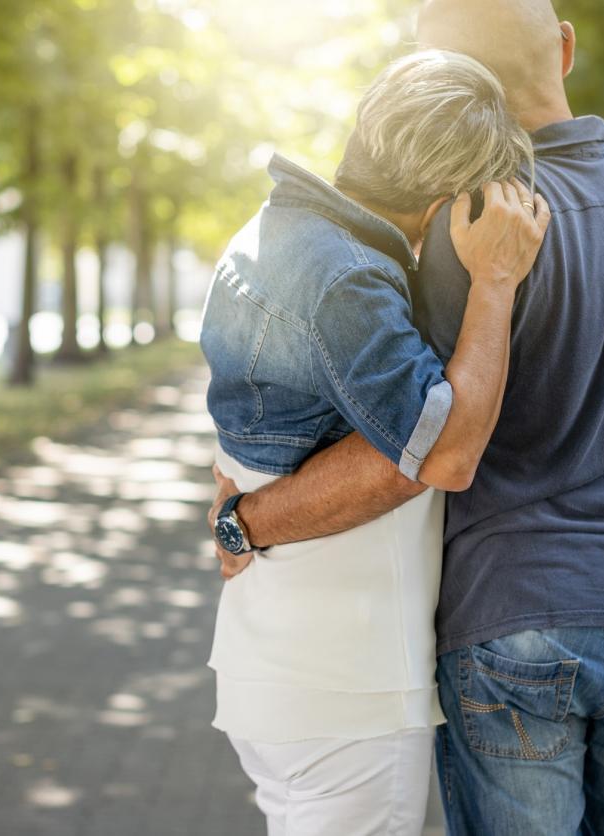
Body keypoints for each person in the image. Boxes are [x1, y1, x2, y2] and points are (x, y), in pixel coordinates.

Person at [208, 1, 604, 833]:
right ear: (564, 48)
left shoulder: (460, 224)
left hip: (504, 620)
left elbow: (410, 442)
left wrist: (247, 514)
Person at [199, 49, 549, 836]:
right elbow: (446, 454)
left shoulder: (271, 232)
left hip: (276, 669)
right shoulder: (348, 277)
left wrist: (238, 516)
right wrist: (493, 283)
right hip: (347, 683)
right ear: (447, 197)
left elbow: (240, 428)